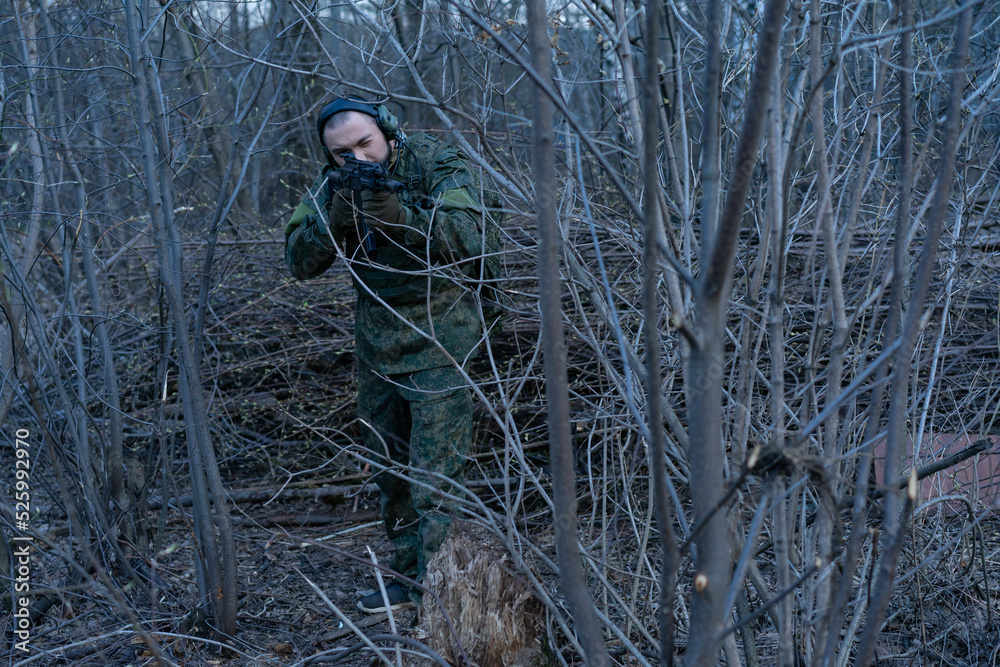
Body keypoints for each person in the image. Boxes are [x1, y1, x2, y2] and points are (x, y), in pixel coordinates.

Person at [284, 98, 488, 613]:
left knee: (436, 475)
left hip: (441, 336)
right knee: (389, 467)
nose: (357, 158)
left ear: (388, 132)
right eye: (343, 152)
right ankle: (408, 574)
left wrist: (403, 219)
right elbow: (299, 261)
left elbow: (471, 238)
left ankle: (440, 593)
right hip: (377, 343)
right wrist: (333, 220)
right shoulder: (333, 185)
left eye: (365, 143)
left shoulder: (433, 162)